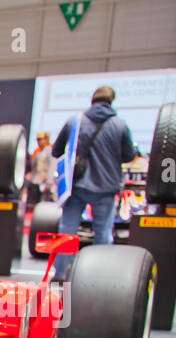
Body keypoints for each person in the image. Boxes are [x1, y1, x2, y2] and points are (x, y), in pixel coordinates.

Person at [52, 86, 139, 277]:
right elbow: (128, 155)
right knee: (103, 234)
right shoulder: (120, 125)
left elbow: (56, 151)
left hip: (76, 186)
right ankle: (98, 278)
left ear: (92, 100)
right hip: (106, 187)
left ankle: (59, 276)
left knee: (67, 231)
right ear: (111, 101)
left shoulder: (74, 121)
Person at [29, 131, 55, 203]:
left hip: (45, 183)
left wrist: (49, 182)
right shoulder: (37, 152)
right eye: (38, 140)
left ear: (46, 139)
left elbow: (52, 166)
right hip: (36, 181)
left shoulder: (50, 150)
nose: (39, 142)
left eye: (41, 139)